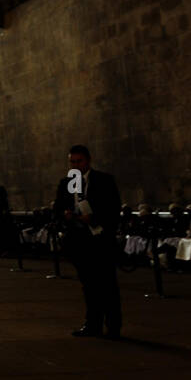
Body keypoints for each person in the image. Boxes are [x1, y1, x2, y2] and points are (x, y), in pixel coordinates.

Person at [52, 144, 122, 339]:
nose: (76, 165)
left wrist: (94, 218)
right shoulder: (66, 183)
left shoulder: (104, 181)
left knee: (107, 283)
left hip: (99, 238)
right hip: (78, 239)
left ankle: (114, 325)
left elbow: (113, 209)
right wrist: (65, 215)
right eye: (72, 162)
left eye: (79, 161)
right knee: (89, 284)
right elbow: (58, 207)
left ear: (88, 160)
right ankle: (93, 324)